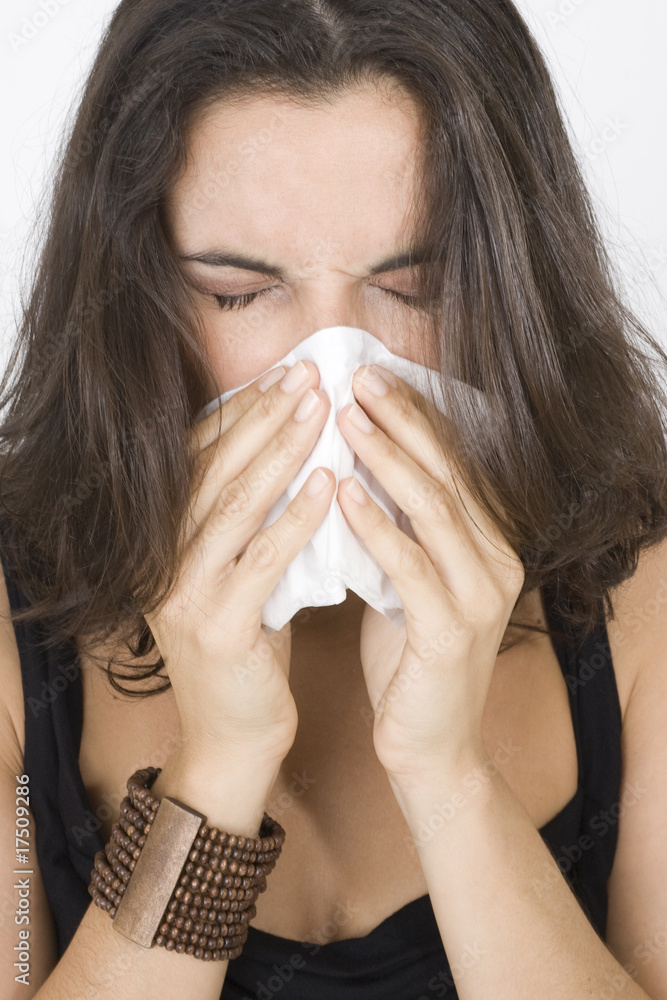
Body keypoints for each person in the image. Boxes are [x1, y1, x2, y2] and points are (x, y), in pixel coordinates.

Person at [0, 0, 666, 997]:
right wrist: (217, 768)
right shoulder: (18, 631)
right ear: (132, 294)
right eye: (236, 291)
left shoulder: (641, 604)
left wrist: (445, 775)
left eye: (417, 285)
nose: (335, 368)